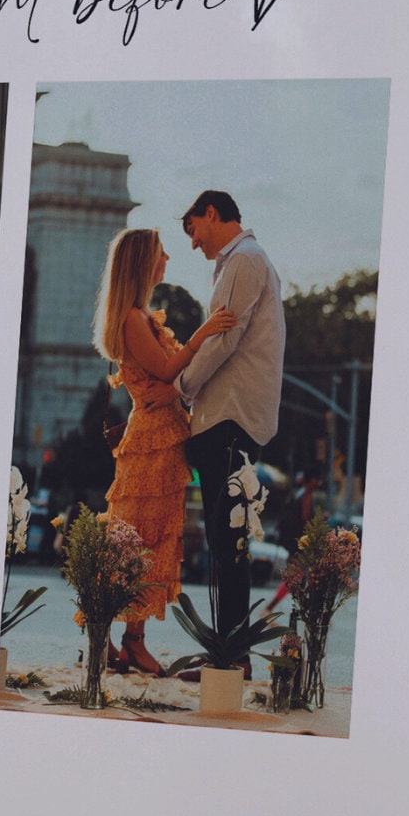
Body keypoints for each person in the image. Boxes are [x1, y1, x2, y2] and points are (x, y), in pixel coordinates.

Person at [91, 227, 237, 675]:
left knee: (148, 538)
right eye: (160, 253)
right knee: (137, 538)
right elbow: (169, 367)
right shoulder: (133, 320)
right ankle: (120, 641)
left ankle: (128, 641)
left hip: (163, 436)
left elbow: (169, 380)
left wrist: (172, 392)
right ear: (142, 262)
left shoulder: (139, 316)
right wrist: (204, 333)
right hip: (151, 441)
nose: (168, 258)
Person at [178, 190, 287, 661]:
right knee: (226, 537)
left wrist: (181, 385)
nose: (194, 243)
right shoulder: (244, 260)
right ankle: (227, 651)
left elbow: (223, 339)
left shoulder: (243, 260)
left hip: (230, 414)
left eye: (194, 230)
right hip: (228, 414)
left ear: (211, 213)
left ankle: (230, 656)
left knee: (229, 537)